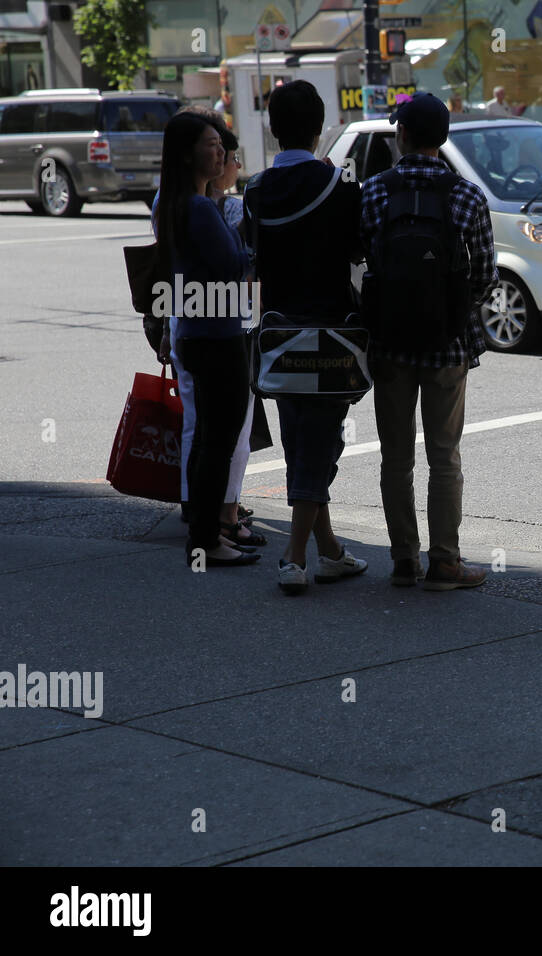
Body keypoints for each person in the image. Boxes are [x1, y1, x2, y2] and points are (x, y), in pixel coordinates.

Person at [359, 93, 499, 590]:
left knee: (395, 458)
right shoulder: (467, 196)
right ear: (442, 139)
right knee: (445, 456)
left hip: (390, 346)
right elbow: (485, 274)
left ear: (401, 136)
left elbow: (359, 267)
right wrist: (452, 311)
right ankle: (445, 562)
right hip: (448, 346)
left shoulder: (373, 191)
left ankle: (402, 560)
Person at [243, 79, 367, 595]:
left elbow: (252, 262)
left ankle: (331, 552)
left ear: (273, 130)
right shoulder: (340, 186)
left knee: (302, 442)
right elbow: (360, 256)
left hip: (278, 337)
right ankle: (294, 558)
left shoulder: (253, 192)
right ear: (319, 128)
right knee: (322, 443)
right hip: (333, 337)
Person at [153, 111, 257, 568]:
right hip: (218, 335)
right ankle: (209, 538)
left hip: (192, 331)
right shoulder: (198, 207)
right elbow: (233, 266)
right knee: (219, 439)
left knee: (204, 440)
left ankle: (203, 534)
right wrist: (251, 245)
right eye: (212, 144)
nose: (221, 153)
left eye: (222, 146)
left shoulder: (168, 202)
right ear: (186, 153)